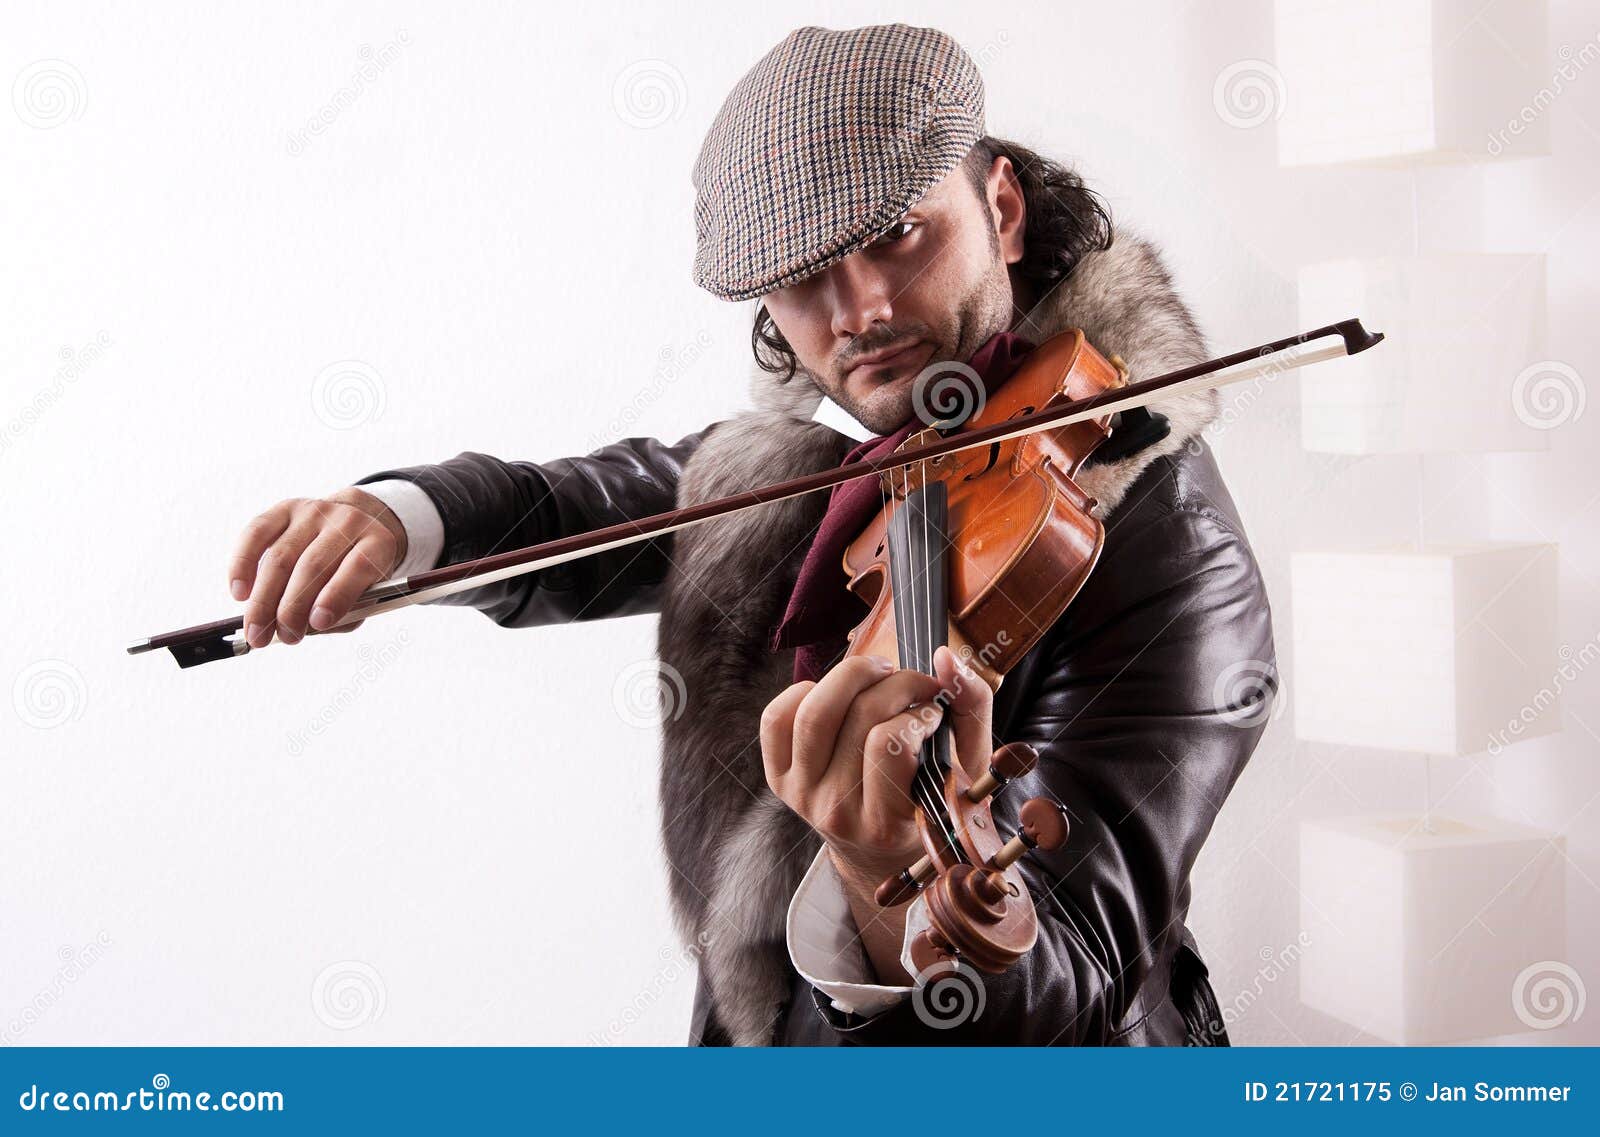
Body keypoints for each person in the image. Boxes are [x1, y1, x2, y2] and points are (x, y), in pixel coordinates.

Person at [226, 24, 1276, 1045]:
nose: (860, 310)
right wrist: (393, 520)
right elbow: (596, 503)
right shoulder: (840, 469)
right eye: (807, 272)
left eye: (899, 236)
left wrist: (883, 878)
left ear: (1000, 209)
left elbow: (1066, 992)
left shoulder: (1171, 553)